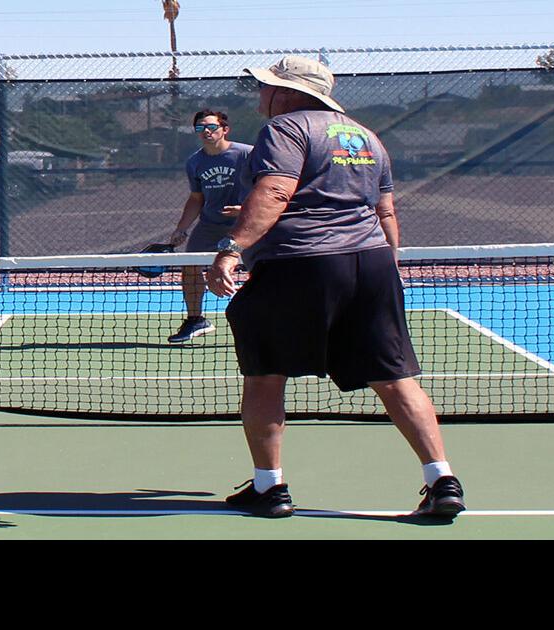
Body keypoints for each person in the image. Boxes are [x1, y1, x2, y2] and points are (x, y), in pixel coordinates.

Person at [205, 56, 465, 519]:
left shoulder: (284, 128)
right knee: (395, 378)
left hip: (299, 264)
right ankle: (442, 480)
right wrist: (388, 268)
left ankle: (270, 488)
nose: (261, 93)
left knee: (266, 375)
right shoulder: (366, 136)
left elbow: (276, 192)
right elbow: (384, 211)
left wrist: (231, 248)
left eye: (266, 86)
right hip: (373, 262)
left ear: (287, 92)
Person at [166, 110, 252, 342]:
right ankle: (196, 319)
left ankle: (270, 317)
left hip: (246, 224)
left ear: (225, 130)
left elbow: (268, 186)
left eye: (211, 127)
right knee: (190, 265)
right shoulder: (195, 162)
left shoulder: (247, 154)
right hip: (210, 225)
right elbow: (196, 198)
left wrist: (246, 209)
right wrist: (181, 228)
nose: (206, 131)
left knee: (262, 267)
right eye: (200, 128)